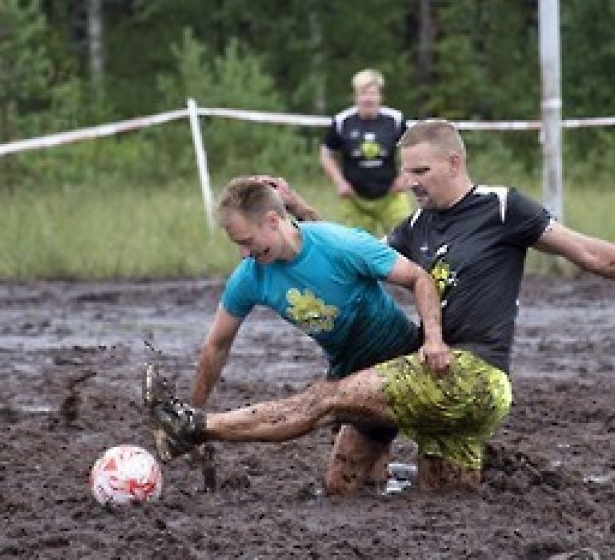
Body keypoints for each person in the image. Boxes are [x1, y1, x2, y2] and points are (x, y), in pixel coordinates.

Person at [147, 119, 615, 491]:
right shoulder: (416, 224)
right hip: (426, 371)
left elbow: (590, 253)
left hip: (473, 371)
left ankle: (196, 425)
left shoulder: (500, 208)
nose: (411, 182)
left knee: (324, 400)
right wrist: (299, 209)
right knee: (393, 498)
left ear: (454, 163)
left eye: (420, 171)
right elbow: (346, 261)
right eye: (407, 172)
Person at [162, 176, 451, 495]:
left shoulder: (341, 244)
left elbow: (419, 278)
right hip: (345, 373)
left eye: (247, 241)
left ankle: (402, 468)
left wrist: (433, 340)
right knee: (343, 486)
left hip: (398, 358)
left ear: (273, 220)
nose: (244, 253)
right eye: (237, 245)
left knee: (445, 482)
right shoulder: (249, 277)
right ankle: (385, 470)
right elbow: (216, 346)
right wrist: (194, 413)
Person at [319, 68, 412, 235]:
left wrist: (405, 176)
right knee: (357, 250)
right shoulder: (342, 121)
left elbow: (413, 149)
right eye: (363, 93)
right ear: (355, 96)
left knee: (407, 240)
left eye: (372, 93)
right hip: (354, 199)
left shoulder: (395, 120)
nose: (368, 98)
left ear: (380, 96)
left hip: (391, 196)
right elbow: (326, 153)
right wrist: (339, 181)